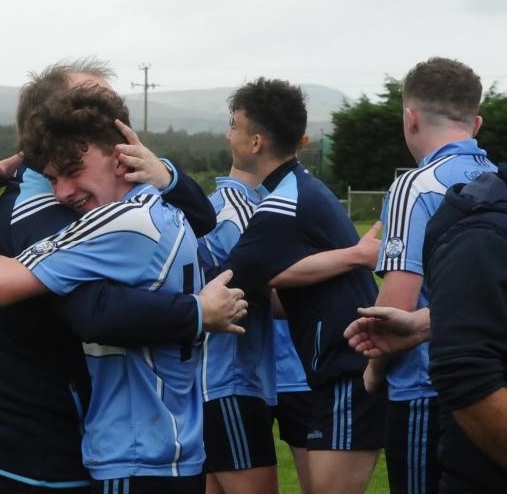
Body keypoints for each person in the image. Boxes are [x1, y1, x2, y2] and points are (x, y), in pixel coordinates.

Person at [0, 59, 246, 493]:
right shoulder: (51, 209)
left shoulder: (120, 209)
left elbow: (199, 216)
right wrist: (197, 311)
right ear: (51, 128)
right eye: (93, 111)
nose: (117, 125)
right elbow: (92, 310)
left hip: (119, 449)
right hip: (38, 452)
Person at [217, 77, 385, 493]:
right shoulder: (302, 188)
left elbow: (223, 284)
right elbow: (273, 274)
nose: (228, 134)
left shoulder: (280, 206)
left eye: (234, 125)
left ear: (255, 142)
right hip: (339, 372)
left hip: (347, 371)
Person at [365, 57, 496, 493]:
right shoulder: (497, 181)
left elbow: (395, 308)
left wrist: (374, 372)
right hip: (493, 389)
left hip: (425, 388)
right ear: (475, 122)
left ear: (411, 118)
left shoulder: (415, 186)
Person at [345, 164, 507, 492]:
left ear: (411, 119)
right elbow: (465, 369)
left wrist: (421, 326)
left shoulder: (417, 186)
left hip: (418, 387)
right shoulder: (483, 212)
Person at [197, 166, 280, 494]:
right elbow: (272, 294)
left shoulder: (213, 205)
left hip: (210, 385)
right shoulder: (241, 215)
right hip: (229, 383)